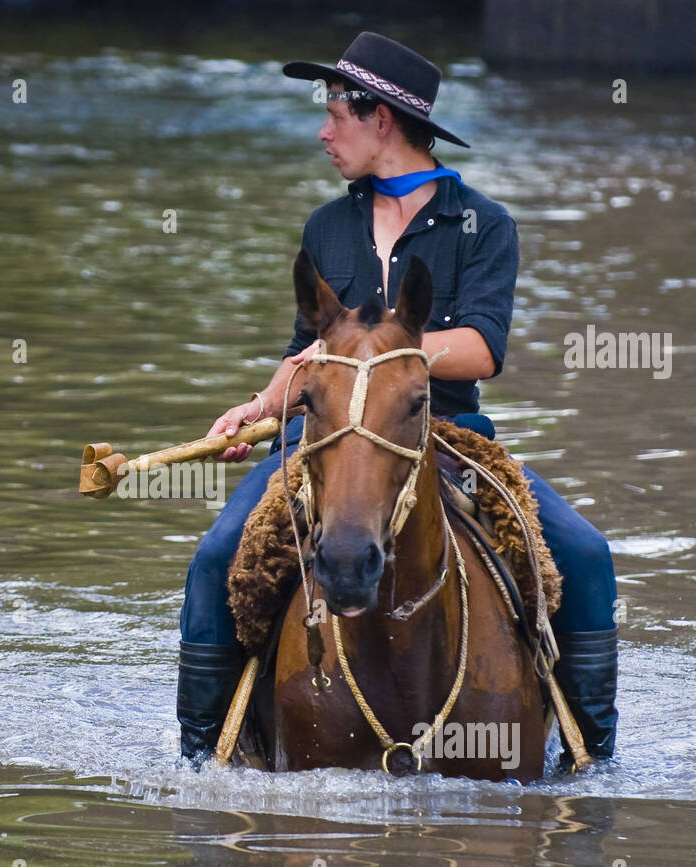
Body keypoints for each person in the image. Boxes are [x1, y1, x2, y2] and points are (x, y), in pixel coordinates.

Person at [176, 32, 618, 771]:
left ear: (380, 118)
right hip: (323, 441)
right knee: (216, 555)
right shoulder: (327, 226)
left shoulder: (485, 225)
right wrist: (258, 407)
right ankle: (199, 762)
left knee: (586, 555)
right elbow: (306, 352)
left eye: (335, 115)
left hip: (444, 433)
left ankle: (591, 760)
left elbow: (482, 349)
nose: (323, 133)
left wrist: (381, 365)